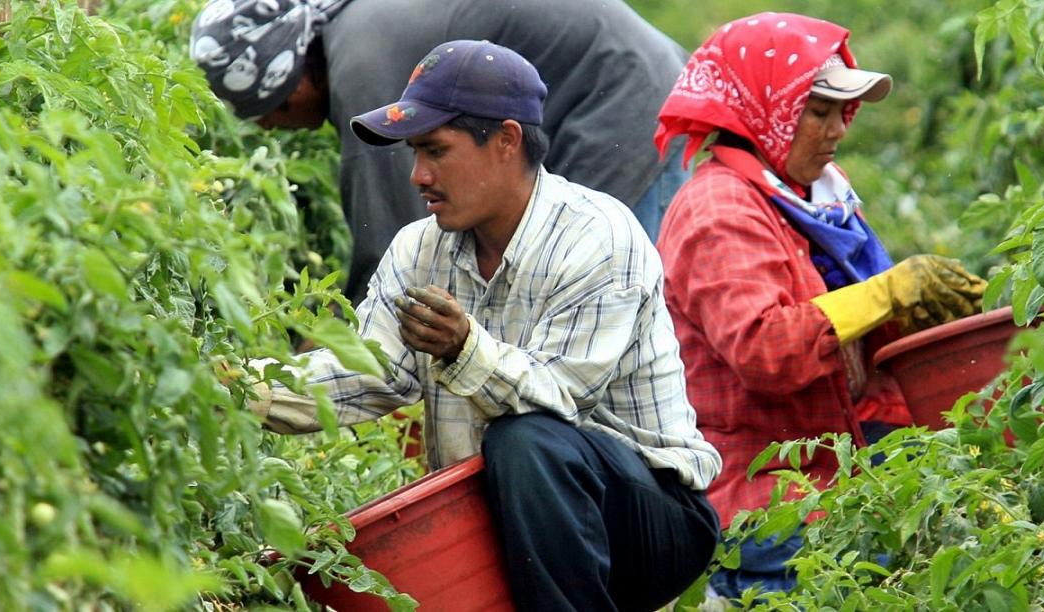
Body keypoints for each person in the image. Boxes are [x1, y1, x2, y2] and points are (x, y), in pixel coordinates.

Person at [244, 40, 721, 610]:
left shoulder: (597, 237)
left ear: (506, 141)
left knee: (525, 440)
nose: (419, 175)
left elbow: (561, 403)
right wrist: (236, 390)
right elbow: (368, 372)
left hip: (648, 516)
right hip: (507, 510)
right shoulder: (419, 250)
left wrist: (464, 348)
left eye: (436, 150)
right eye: (414, 154)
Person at [652, 12, 987, 598]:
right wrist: (887, 293)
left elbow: (841, 319)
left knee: (969, 501)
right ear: (764, 111)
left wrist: (926, 315)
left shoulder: (809, 197)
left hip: (835, 466)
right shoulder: (719, 209)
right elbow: (765, 350)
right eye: (818, 112)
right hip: (766, 497)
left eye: (841, 113)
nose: (837, 131)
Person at [189, 0, 690, 305]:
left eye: (263, 110)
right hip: (632, 75)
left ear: (285, 81)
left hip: (627, 101)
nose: (269, 126)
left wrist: (342, 354)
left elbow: (388, 247)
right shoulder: (358, 28)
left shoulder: (363, 62)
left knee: (585, 281)